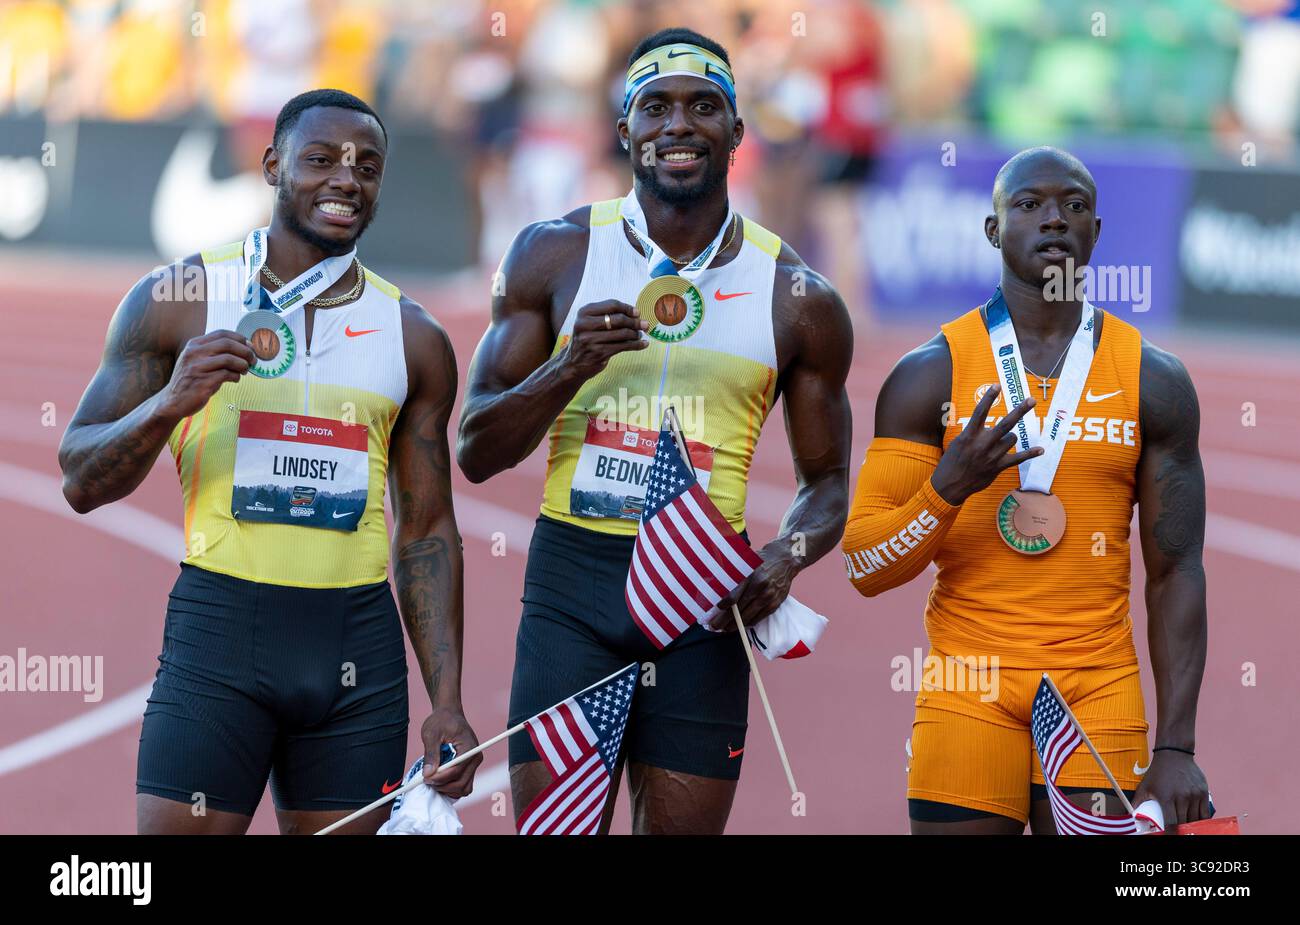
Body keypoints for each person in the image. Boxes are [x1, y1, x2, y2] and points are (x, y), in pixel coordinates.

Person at [457, 28, 853, 834]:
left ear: (737, 133)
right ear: (624, 130)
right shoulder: (554, 255)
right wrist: (567, 368)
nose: (679, 125)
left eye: (704, 107)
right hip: (573, 588)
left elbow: (829, 482)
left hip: (703, 601)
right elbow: (476, 450)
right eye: (656, 107)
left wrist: (789, 553)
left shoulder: (800, 297)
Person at [58, 88, 480, 834]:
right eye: (320, 160)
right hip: (220, 636)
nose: (346, 180)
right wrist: (167, 403)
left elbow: (427, 528)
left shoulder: (413, 337)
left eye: (367, 167)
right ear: (272, 165)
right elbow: (80, 481)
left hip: (355, 651)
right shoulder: (180, 299)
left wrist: (446, 697)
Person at [842, 146, 1211, 834]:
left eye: (1073, 206)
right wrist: (947, 489)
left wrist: (1177, 745)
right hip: (966, 690)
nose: (1052, 220)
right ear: (991, 230)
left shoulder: (1153, 380)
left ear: (1096, 232)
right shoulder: (929, 375)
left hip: (1098, 687)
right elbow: (864, 564)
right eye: (1028, 204)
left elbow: (1177, 570)